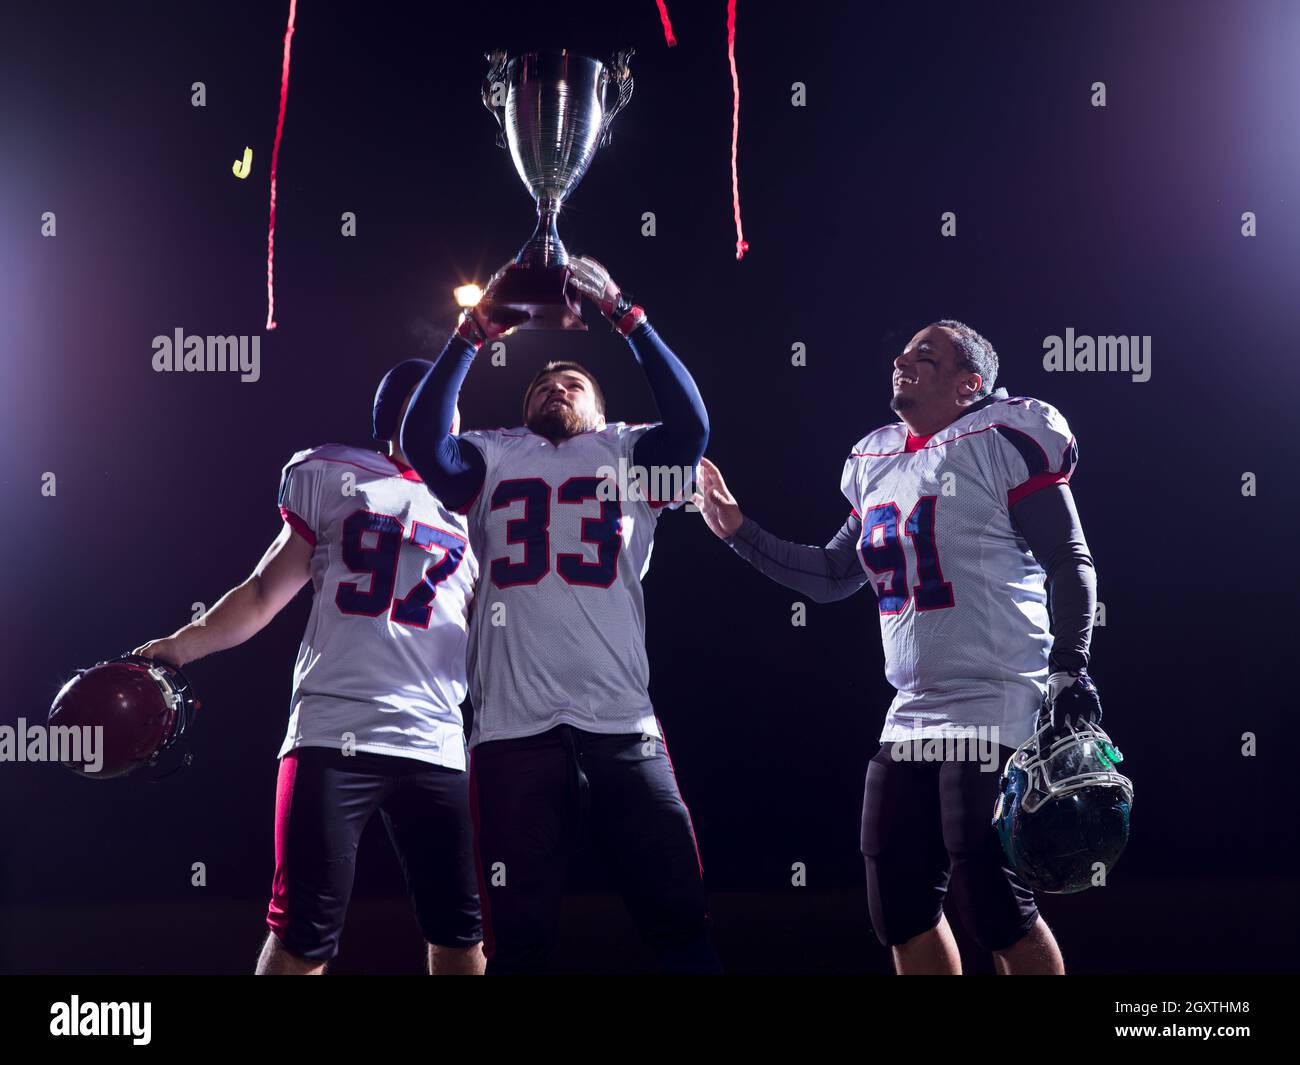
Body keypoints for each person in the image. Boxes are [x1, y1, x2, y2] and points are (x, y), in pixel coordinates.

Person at [693, 321, 1099, 975]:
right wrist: (740, 531)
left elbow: (1070, 560)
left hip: (996, 697)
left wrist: (1070, 669)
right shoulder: (877, 459)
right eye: (903, 352)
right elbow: (831, 574)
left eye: (925, 355)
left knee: (995, 904)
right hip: (910, 709)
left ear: (971, 383)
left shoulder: (1004, 437)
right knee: (901, 908)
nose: (902, 360)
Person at [400, 255, 721, 974]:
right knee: (519, 939)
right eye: (543, 381)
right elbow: (425, 444)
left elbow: (693, 426)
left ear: (601, 409)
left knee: (678, 919)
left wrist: (628, 317)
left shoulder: (629, 451)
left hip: (620, 724)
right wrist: (472, 334)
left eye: (572, 382)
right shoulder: (490, 454)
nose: (554, 385)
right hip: (514, 732)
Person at [134, 362, 484, 975]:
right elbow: (264, 591)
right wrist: (180, 644)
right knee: (302, 935)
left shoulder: (477, 505)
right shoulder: (330, 474)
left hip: (436, 739)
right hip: (331, 730)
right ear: (397, 418)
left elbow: (491, 632)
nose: (448, 414)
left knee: (460, 934)